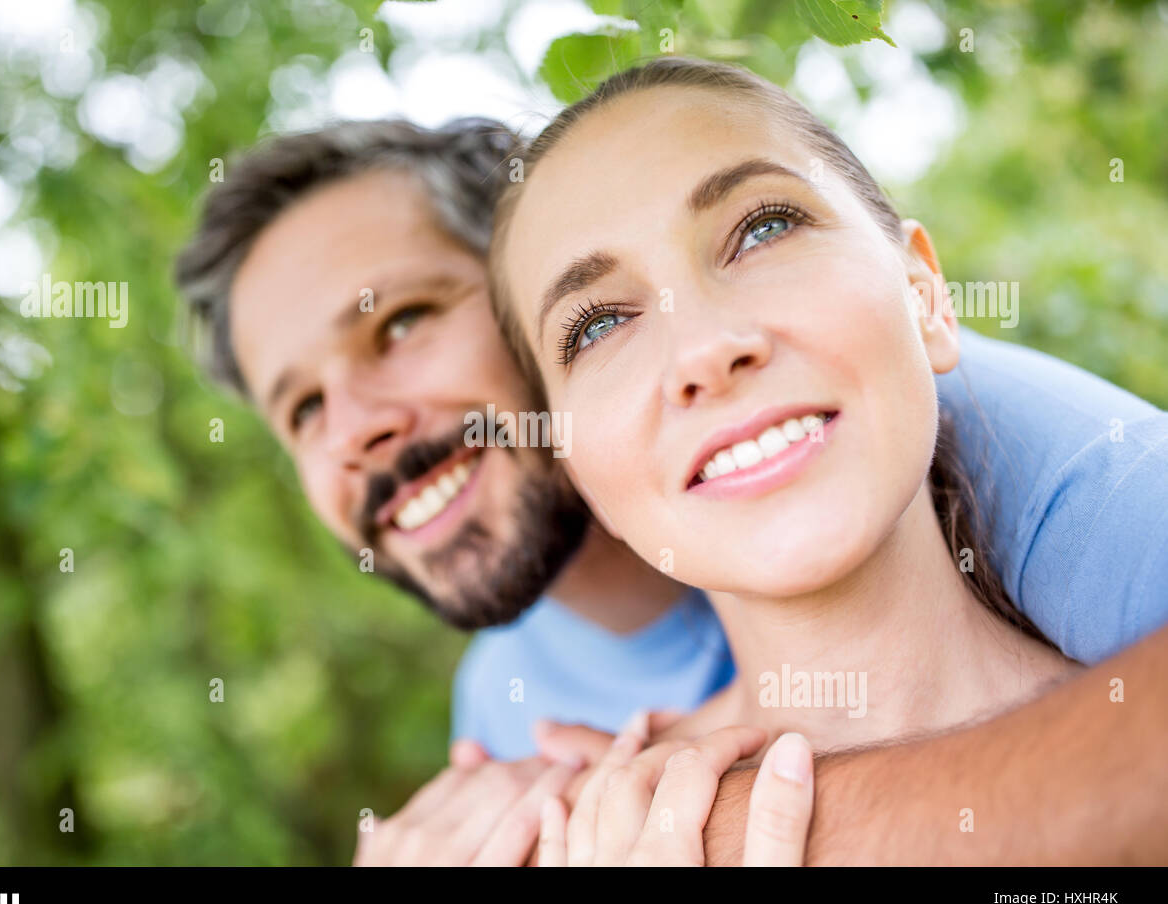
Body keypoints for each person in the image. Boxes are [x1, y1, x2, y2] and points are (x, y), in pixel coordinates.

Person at [175, 97, 1168, 863]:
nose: (356, 428)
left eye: (399, 323)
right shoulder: (503, 702)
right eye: (301, 407)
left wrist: (705, 823)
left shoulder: (988, 438)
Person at [488, 56, 1168, 864]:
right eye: (597, 325)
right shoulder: (549, 839)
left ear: (927, 297)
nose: (705, 349)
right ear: (576, 471)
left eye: (763, 229)